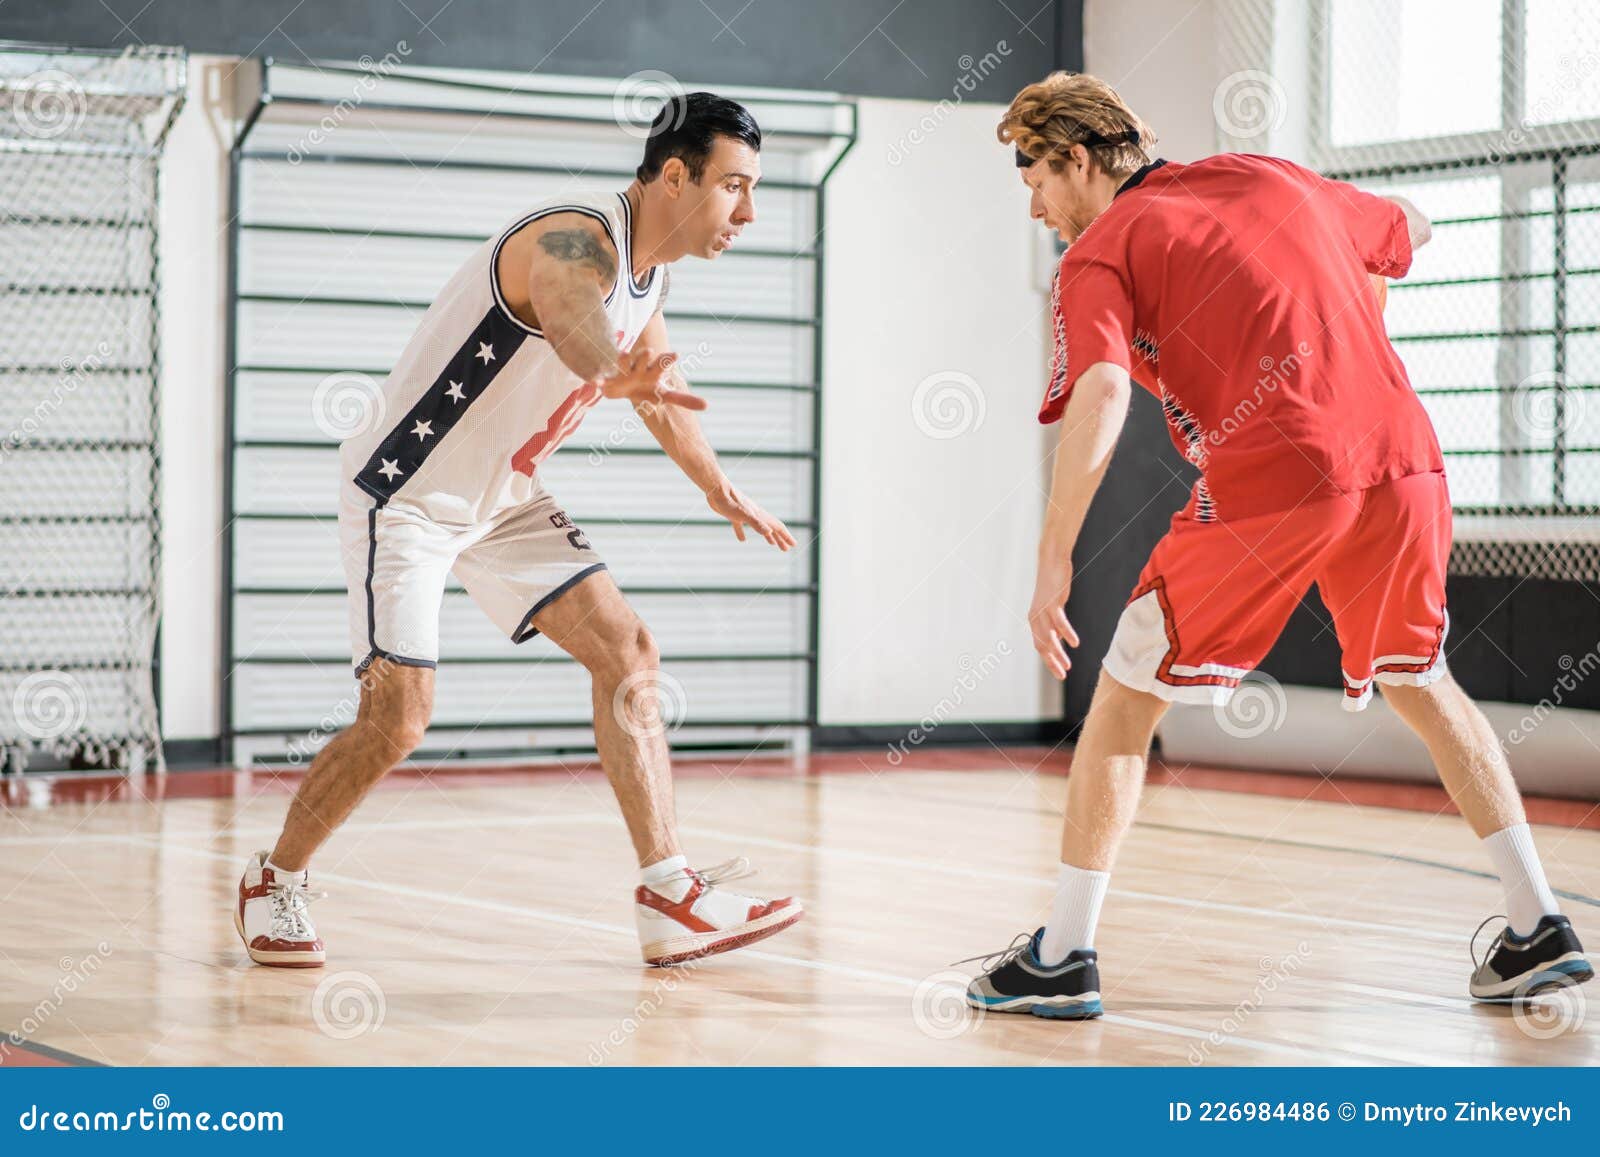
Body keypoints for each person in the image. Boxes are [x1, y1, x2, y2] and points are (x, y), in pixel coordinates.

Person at [963, 72, 1591, 1018]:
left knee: (1128, 693)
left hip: (1281, 468)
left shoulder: (1098, 252)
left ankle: (1061, 953)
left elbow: (1100, 393)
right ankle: (1538, 921)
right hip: (1404, 460)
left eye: (1036, 186)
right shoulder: (1270, 177)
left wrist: (1053, 559)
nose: (1040, 210)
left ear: (1077, 161)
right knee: (1422, 679)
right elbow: (1412, 224)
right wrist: (1350, 315)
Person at [235, 92, 804, 970]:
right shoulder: (575, 237)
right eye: (735, 187)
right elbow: (570, 308)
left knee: (628, 649)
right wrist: (610, 371)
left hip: (503, 500)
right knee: (399, 720)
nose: (749, 212)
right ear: (677, 174)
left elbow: (662, 395)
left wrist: (719, 488)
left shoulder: (651, 274)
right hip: (408, 493)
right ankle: (275, 876)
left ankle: (667, 889)